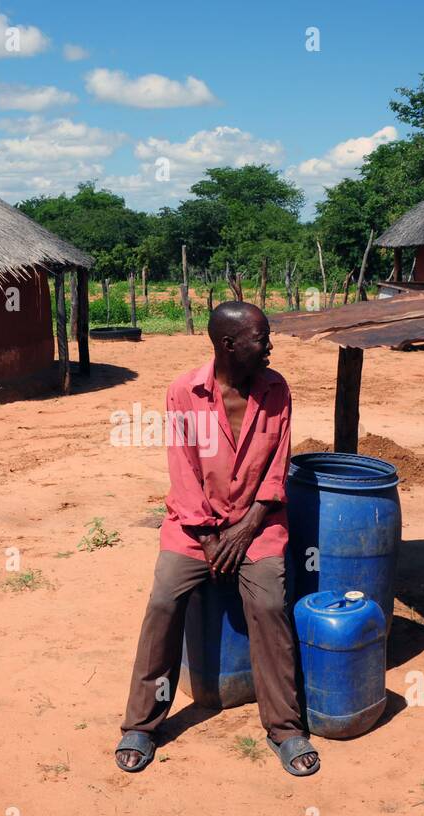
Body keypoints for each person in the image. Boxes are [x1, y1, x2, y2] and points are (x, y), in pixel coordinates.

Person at [114, 301, 319, 777]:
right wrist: (210, 540)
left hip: (260, 524)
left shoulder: (276, 390)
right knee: (164, 600)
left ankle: (285, 729)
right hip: (194, 528)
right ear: (229, 344)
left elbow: (276, 471)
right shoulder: (185, 391)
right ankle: (141, 724)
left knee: (270, 606)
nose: (270, 345)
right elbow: (183, 472)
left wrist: (246, 528)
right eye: (261, 337)